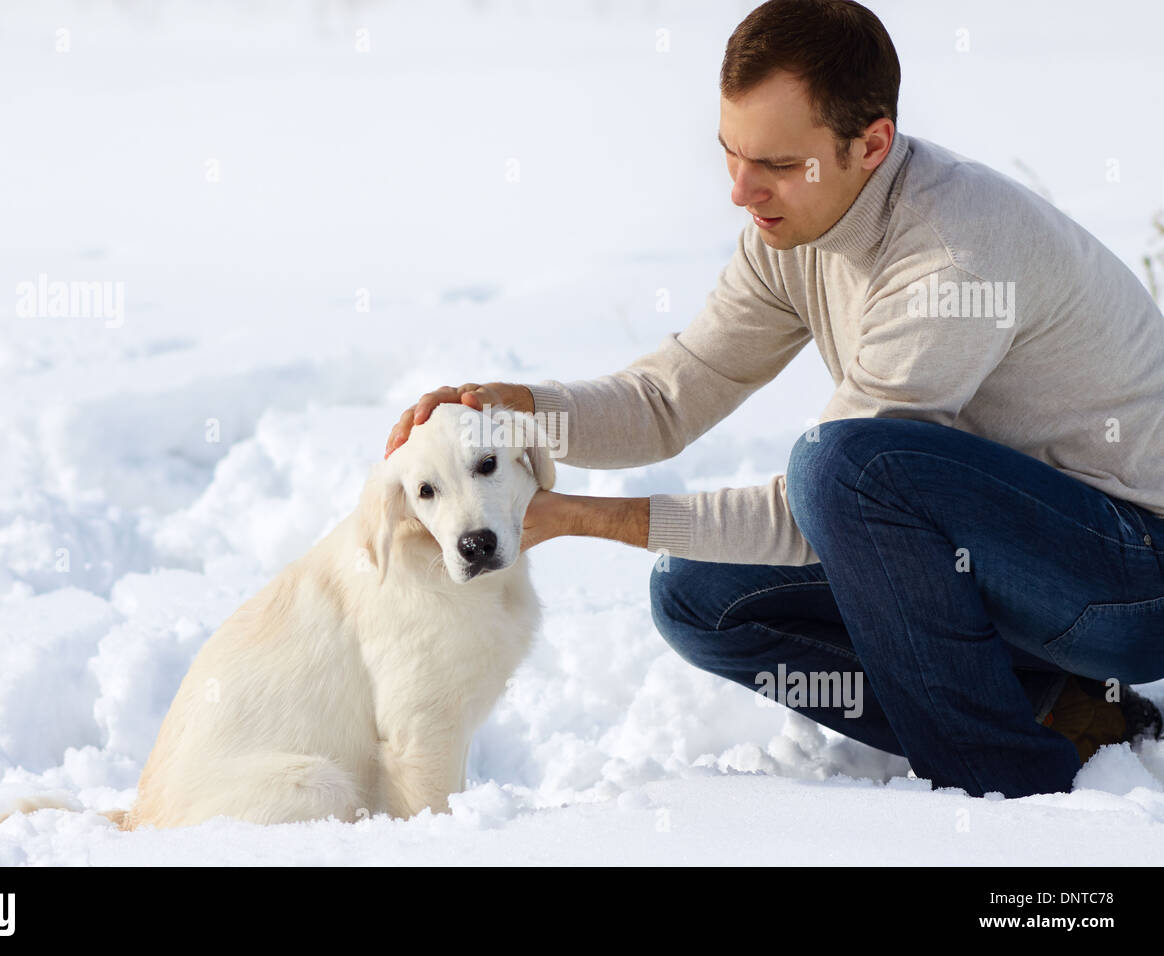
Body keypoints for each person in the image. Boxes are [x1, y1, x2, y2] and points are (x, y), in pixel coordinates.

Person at [383, 0, 1164, 798]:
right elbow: (669, 396)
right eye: (730, 154)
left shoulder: (952, 264)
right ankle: (1056, 710)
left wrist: (586, 517)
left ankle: (1006, 783)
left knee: (844, 467)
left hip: (1131, 578)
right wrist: (515, 407)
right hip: (1011, 568)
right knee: (696, 594)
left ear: (872, 145)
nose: (742, 191)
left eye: (779, 164)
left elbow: (821, 506)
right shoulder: (794, 229)